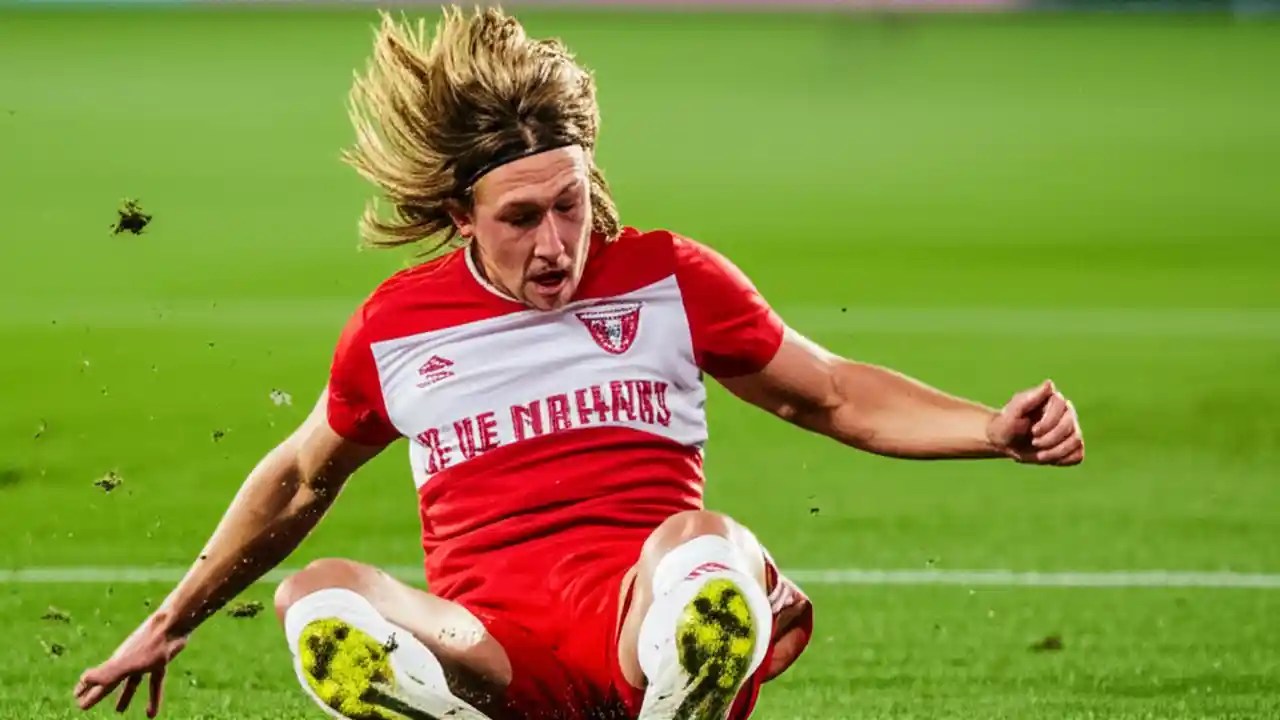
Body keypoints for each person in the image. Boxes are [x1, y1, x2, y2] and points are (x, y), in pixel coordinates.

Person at [73, 7, 1085, 720]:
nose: (557, 242)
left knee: (702, 546)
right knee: (317, 599)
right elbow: (300, 478)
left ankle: (696, 672)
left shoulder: (666, 277)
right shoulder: (398, 327)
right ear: (459, 215)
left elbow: (827, 394)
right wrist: (169, 621)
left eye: (570, 203)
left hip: (643, 630)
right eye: (522, 217)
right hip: (489, 656)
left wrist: (990, 430)